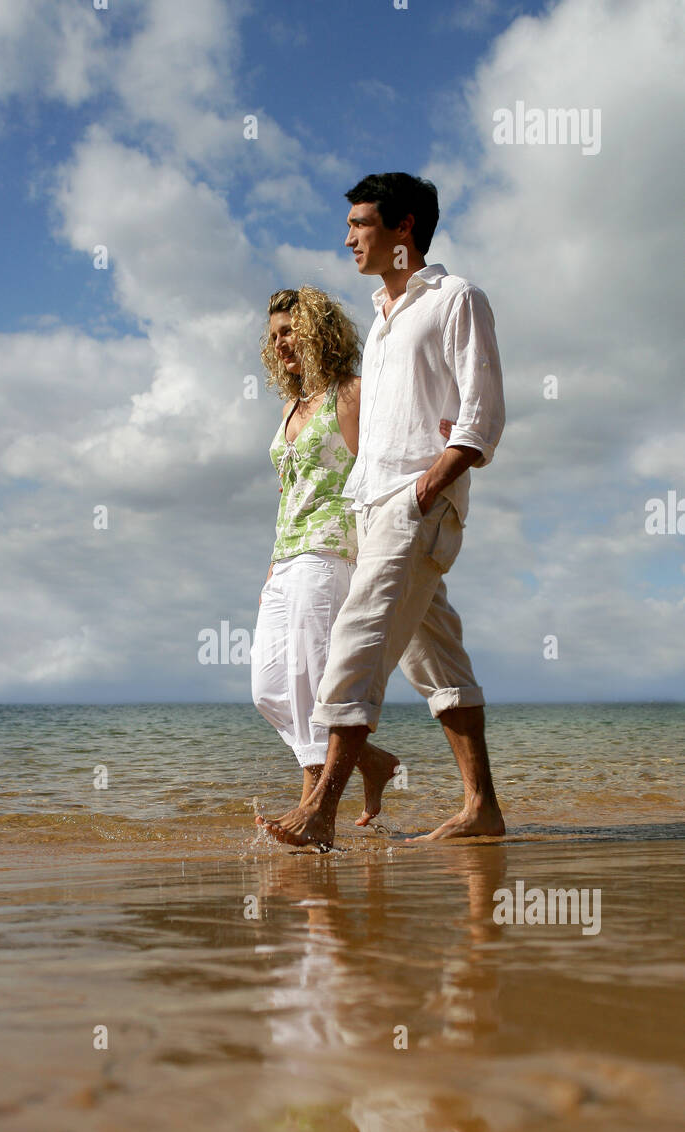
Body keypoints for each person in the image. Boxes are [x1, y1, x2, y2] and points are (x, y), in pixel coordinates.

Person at [258, 173, 506, 849]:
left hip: (414, 503)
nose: (348, 238)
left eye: (360, 224)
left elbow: (482, 413)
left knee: (354, 645)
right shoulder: (382, 325)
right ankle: (481, 807)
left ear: (403, 228)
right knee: (437, 662)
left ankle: (320, 811)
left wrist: (429, 487)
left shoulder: (456, 299)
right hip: (373, 509)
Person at [252, 285, 415, 827]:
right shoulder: (290, 407)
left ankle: (313, 813)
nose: (281, 344)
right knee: (269, 688)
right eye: (274, 336)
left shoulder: (352, 393)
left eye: (290, 331)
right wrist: (271, 565)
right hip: (285, 559)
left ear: (318, 331)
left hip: (330, 552)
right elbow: (288, 492)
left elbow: (389, 461)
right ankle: (373, 762)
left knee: (315, 688)